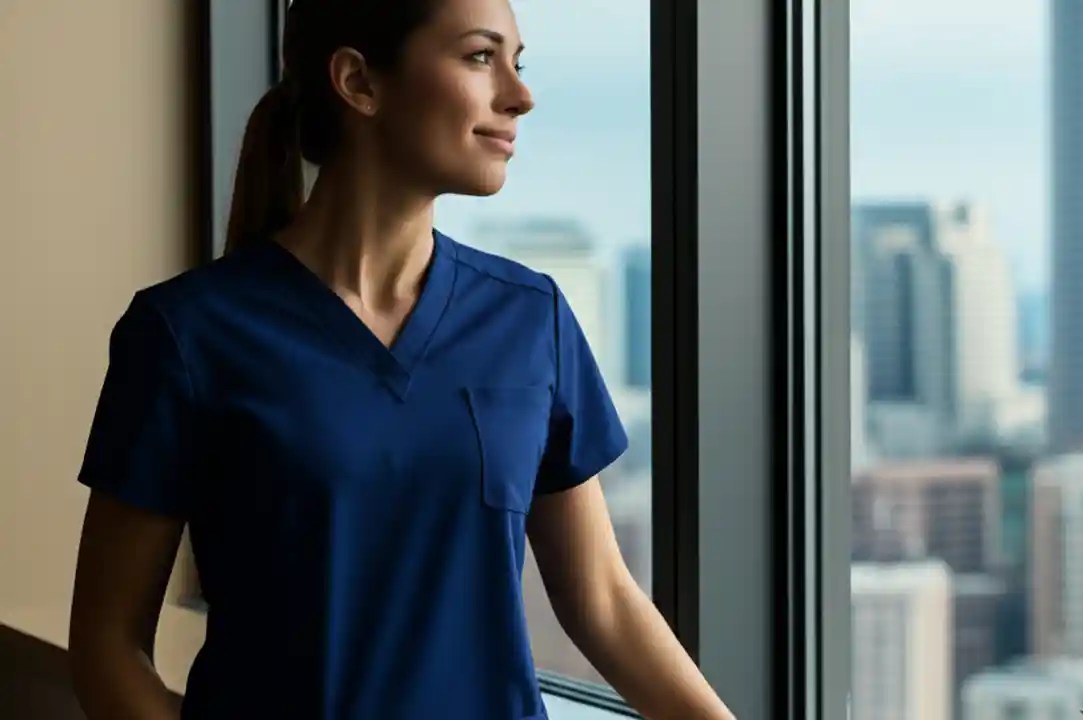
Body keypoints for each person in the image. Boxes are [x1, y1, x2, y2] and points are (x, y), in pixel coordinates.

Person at [66, 1, 734, 718]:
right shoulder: (184, 334)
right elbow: (107, 644)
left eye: (519, 61)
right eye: (481, 57)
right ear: (359, 82)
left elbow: (603, 601)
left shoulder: (529, 318)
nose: (520, 94)